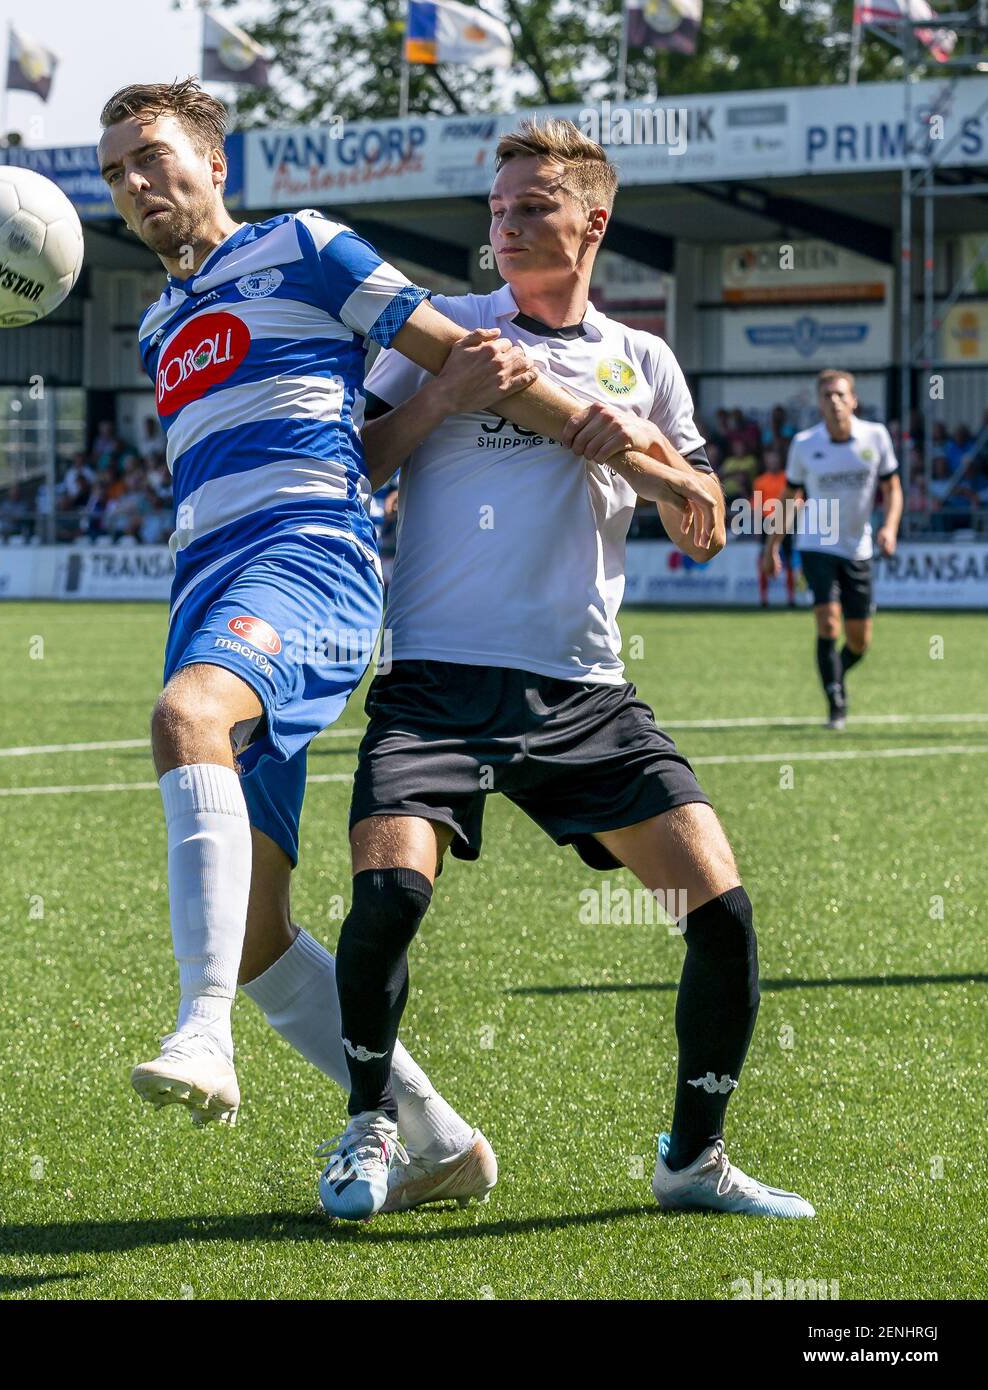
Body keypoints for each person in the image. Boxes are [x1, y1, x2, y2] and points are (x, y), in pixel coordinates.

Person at [99, 80, 720, 1214]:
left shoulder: (309, 247)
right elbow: (428, 397)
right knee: (256, 936)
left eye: (151, 158)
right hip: (206, 587)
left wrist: (655, 472)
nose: (134, 185)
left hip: (309, 563)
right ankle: (435, 1139)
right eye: (114, 174)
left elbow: (475, 362)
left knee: (185, 718)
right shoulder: (157, 322)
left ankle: (201, 1036)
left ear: (214, 163)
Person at [318, 117, 813, 1223]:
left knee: (721, 917)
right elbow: (350, 465)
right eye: (496, 207)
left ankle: (693, 1157)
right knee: (389, 894)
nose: (505, 224)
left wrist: (636, 460)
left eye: (532, 205)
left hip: (585, 694)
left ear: (593, 221)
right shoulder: (445, 334)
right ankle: (368, 1127)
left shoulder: (642, 363)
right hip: (437, 680)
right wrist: (444, 398)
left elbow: (707, 525)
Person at [762, 369, 903, 730]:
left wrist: (889, 527)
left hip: (859, 547)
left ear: (853, 400)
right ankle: (835, 704)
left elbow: (894, 490)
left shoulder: (876, 436)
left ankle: (835, 675)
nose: (835, 401)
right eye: (827, 395)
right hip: (816, 542)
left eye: (841, 394)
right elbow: (790, 498)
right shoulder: (805, 444)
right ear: (819, 403)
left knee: (859, 641)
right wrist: (772, 547)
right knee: (828, 623)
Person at [753, 451, 795, 607]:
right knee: (764, 560)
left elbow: (797, 500)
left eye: (775, 459)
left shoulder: (788, 478)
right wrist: (758, 528)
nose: (773, 463)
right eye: (769, 460)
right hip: (766, 523)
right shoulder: (760, 481)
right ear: (766, 462)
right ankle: (764, 598)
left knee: (789, 561)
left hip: (786, 523)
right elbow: (757, 506)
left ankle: (791, 598)